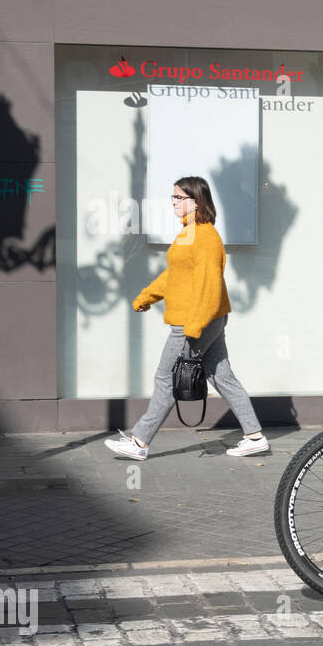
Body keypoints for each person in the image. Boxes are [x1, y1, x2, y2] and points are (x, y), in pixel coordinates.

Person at [105, 177, 268, 460]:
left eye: (179, 198)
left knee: (165, 377)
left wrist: (194, 325)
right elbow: (174, 276)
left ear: (196, 201)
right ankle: (254, 436)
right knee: (223, 376)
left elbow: (210, 284)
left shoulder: (205, 237)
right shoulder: (189, 234)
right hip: (204, 319)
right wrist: (147, 296)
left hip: (195, 321)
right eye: (173, 198)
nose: (173, 202)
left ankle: (140, 442)